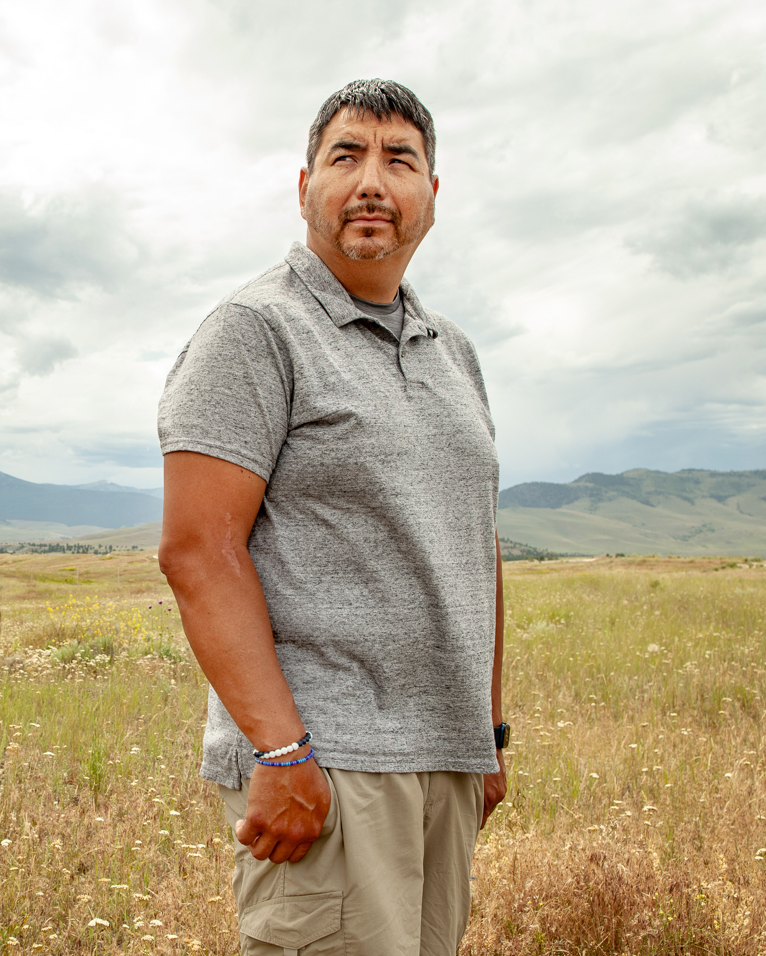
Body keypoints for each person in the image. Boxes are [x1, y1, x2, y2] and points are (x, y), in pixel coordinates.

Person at [156, 78, 506, 956]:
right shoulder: (255, 330)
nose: (373, 182)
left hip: (445, 762)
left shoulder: (452, 350)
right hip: (329, 763)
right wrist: (280, 753)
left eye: (401, 160)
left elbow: (477, 541)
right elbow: (199, 552)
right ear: (304, 183)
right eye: (346, 156)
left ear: (434, 193)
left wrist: (488, 733)